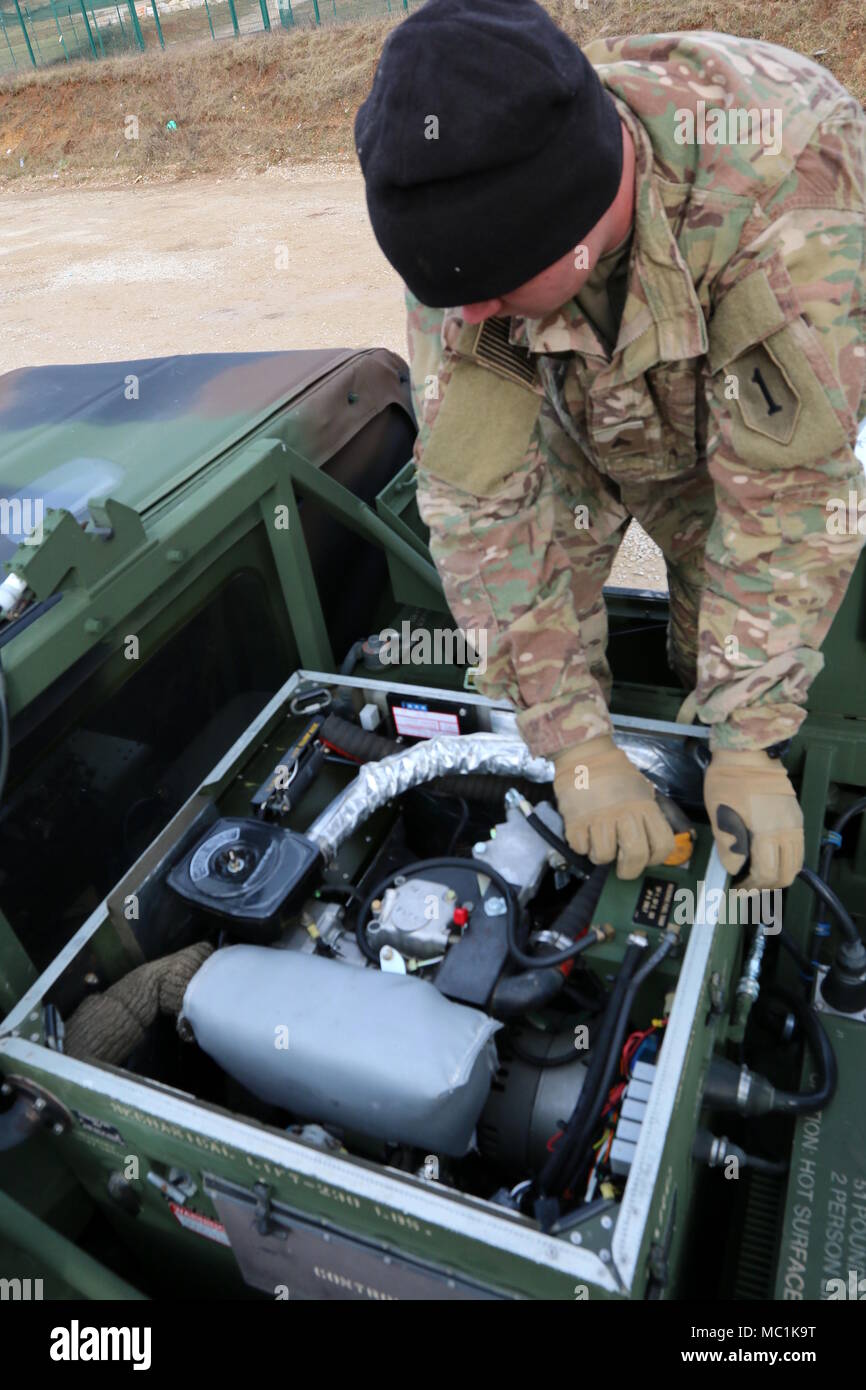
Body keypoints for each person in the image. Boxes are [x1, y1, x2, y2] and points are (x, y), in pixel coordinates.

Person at [355, 0, 866, 889]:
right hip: (564, 412)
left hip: (729, 427)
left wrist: (746, 740)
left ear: (584, 212)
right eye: (448, 293)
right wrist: (574, 743)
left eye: (492, 290)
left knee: (718, 634)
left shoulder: (790, 180)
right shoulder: (468, 232)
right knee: (534, 636)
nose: (465, 317)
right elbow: (479, 503)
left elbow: (786, 498)